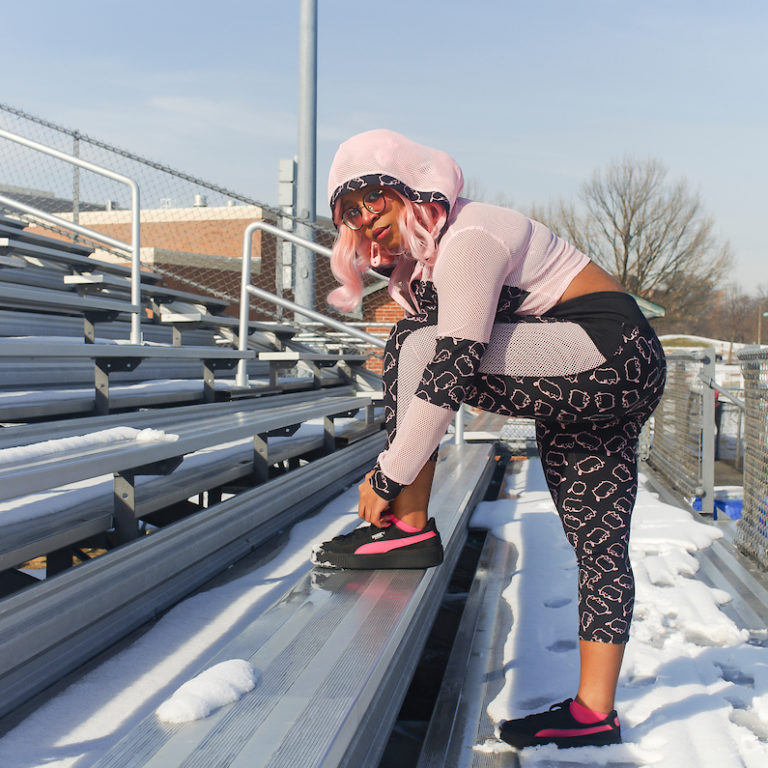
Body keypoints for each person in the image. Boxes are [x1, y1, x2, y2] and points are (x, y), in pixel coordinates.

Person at [311, 129, 667, 749]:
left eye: (378, 212)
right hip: (602, 371)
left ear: (413, 191)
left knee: (417, 346)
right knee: (598, 542)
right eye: (356, 227)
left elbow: (452, 365)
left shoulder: (469, 237)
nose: (371, 234)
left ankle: (408, 525)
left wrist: (388, 474)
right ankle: (594, 712)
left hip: (600, 351)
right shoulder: (428, 258)